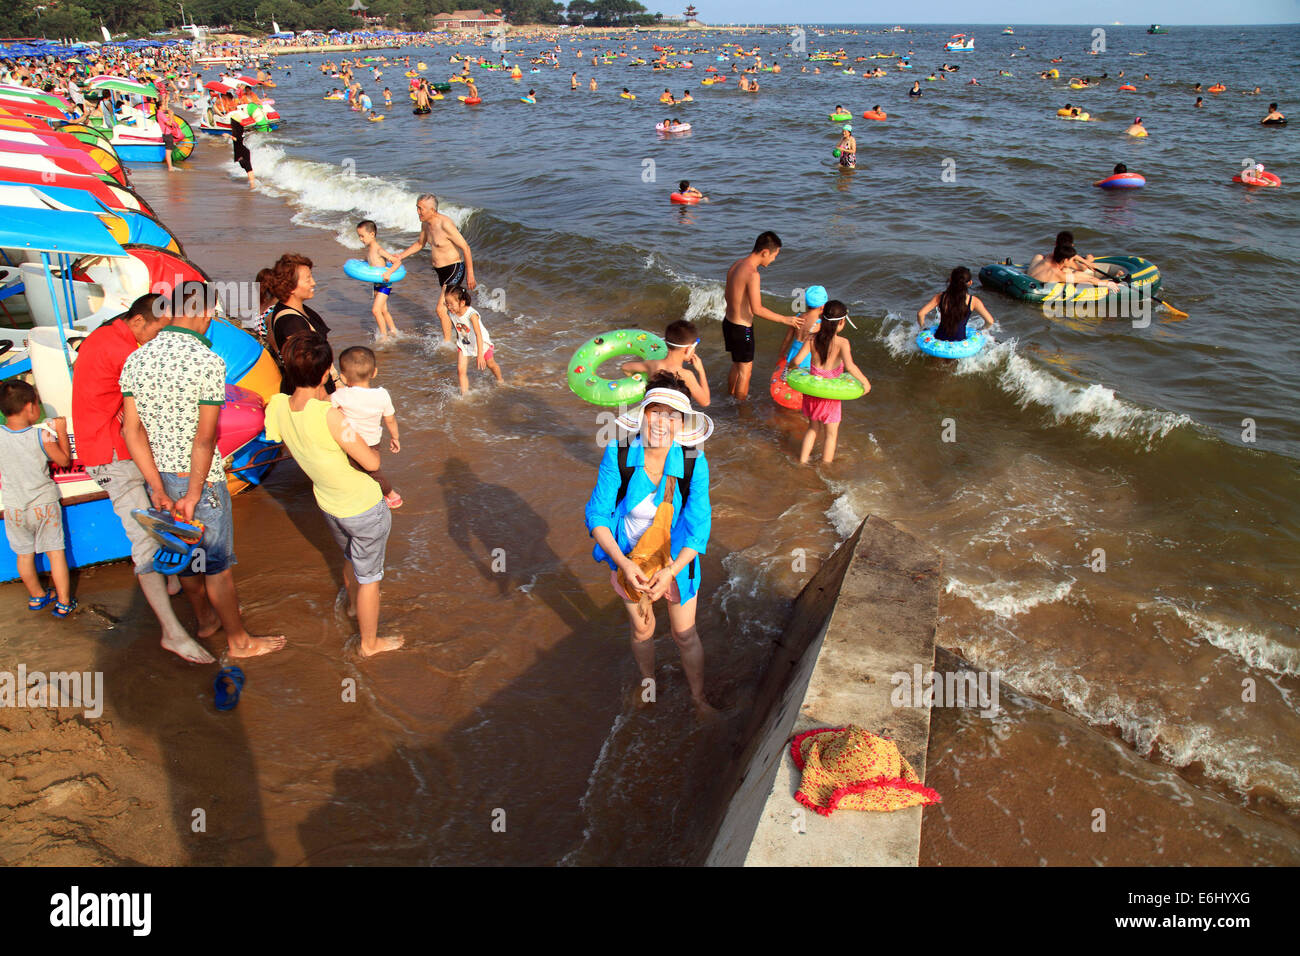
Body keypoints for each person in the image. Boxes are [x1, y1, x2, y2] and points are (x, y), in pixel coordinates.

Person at [119, 285, 285, 660]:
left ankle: (207, 620)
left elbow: (132, 430)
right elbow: (205, 438)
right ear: (205, 313)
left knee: (185, 552)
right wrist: (194, 493)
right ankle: (239, 641)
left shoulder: (138, 358)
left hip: (158, 476)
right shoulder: (206, 362)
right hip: (201, 480)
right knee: (217, 566)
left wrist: (158, 488)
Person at [71, 293, 214, 661]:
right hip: (111, 455)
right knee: (145, 541)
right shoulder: (124, 353)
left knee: (160, 515)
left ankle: (170, 584)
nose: (161, 338)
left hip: (116, 445)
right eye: (159, 330)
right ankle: (172, 633)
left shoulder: (109, 336)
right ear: (137, 322)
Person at [584, 373, 715, 715]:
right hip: (627, 555)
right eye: (655, 411)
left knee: (684, 634)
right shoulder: (620, 453)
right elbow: (597, 516)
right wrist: (623, 563)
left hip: (676, 559)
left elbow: (700, 529)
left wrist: (671, 570)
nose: (661, 422)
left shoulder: (692, 462)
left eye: (672, 415)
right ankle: (648, 683)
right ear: (642, 413)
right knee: (642, 631)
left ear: (681, 423)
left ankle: (698, 699)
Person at [265, 334, 403, 658]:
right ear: (327, 371)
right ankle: (370, 643)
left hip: (328, 502)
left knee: (349, 556)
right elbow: (372, 462)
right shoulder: (330, 416)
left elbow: (279, 440)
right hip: (363, 504)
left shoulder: (278, 406)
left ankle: (354, 607)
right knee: (369, 576)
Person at [0, 381, 74, 618]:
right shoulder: (41, 436)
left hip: (13, 508)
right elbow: (63, 461)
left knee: (24, 554)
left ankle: (37, 596)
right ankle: (63, 602)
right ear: (30, 407)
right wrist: (61, 432)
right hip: (43, 504)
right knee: (55, 552)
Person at [386, 194, 476, 343]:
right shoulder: (426, 224)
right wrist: (400, 256)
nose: (418, 212)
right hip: (441, 272)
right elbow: (420, 244)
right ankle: (464, 334)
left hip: (454, 269)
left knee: (441, 308)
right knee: (451, 306)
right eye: (417, 208)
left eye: (421, 209)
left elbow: (466, 248)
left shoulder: (445, 224)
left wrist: (470, 275)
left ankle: (448, 343)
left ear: (432, 210)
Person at [791, 301, 871, 465]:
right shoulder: (843, 343)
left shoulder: (812, 339)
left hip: (812, 391)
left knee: (812, 428)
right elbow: (850, 367)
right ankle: (826, 465)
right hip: (830, 396)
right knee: (831, 434)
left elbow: (797, 360)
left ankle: (802, 461)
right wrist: (865, 383)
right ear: (841, 322)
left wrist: (788, 370)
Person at [723, 231, 798, 401]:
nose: (773, 260)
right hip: (743, 330)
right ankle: (741, 412)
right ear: (765, 252)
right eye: (774, 256)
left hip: (728, 323)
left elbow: (727, 296)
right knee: (746, 372)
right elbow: (758, 309)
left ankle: (730, 399)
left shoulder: (737, 265)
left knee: (737, 364)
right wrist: (785, 319)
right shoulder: (753, 274)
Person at [332, 346, 402, 508]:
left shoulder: (340, 395)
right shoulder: (382, 394)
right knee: (372, 470)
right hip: (372, 442)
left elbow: (327, 411)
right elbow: (390, 419)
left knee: (365, 471)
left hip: (350, 442)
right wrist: (395, 437)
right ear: (374, 372)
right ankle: (381, 494)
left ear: (342, 376)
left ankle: (391, 494)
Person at [265, 253, 338, 391]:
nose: (314, 282)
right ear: (291, 286)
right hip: (313, 396)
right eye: (308, 279)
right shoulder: (291, 323)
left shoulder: (299, 309)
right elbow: (307, 370)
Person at [621, 318, 710, 407]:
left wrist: (642, 383)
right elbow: (705, 402)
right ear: (688, 349)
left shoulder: (652, 364)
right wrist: (701, 370)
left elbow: (625, 367)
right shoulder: (686, 375)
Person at [443, 284, 504, 394]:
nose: (449, 307)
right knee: (461, 370)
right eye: (447, 303)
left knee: (490, 364)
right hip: (465, 343)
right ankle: (464, 395)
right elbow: (458, 328)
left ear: (462, 303)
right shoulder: (451, 312)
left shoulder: (471, 314)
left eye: (451, 304)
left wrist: (480, 354)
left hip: (481, 342)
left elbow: (478, 334)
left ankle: (500, 380)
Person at [915, 266, 996, 342]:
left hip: (940, 337)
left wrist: (923, 328)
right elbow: (990, 321)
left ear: (950, 280)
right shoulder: (973, 301)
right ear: (970, 283)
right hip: (960, 339)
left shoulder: (941, 297)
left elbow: (920, 314)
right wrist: (981, 331)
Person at [356, 219, 400, 339]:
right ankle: (394, 330)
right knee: (383, 310)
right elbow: (371, 262)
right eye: (359, 236)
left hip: (385, 284)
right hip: (376, 283)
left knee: (375, 310)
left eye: (362, 236)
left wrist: (389, 272)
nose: (360, 239)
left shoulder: (379, 249)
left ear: (372, 234)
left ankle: (384, 336)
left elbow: (397, 262)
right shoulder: (369, 249)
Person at [777, 284, 827, 370]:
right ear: (822, 306)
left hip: (792, 353)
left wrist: (781, 356)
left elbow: (787, 339)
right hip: (806, 357)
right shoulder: (819, 324)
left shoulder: (798, 317)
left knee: (788, 376)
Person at [224, 110, 255, 188]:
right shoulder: (239, 129)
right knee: (246, 167)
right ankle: (252, 184)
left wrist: (229, 136)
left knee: (247, 167)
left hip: (242, 151)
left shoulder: (237, 130)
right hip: (242, 150)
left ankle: (252, 185)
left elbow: (238, 139)